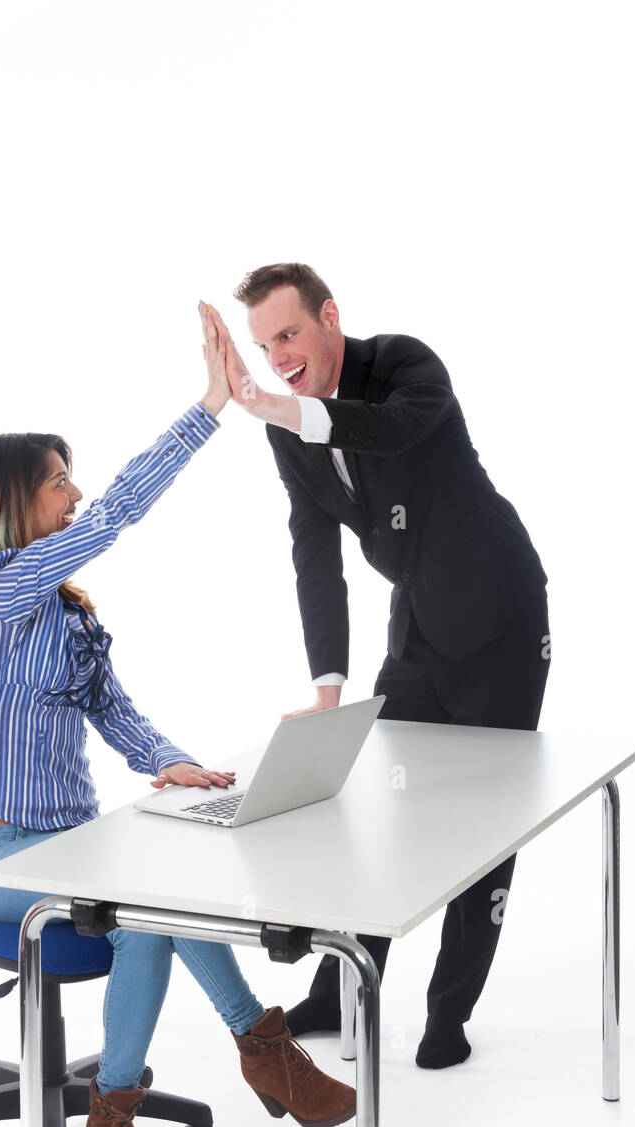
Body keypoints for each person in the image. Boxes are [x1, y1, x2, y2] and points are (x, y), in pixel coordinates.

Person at [0, 304, 355, 1127]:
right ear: (16, 504)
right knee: (147, 916)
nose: (77, 495)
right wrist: (207, 409)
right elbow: (125, 510)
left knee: (173, 894)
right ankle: (138, 1106)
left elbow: (115, 711)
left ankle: (238, 1062)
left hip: (70, 847)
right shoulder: (4, 586)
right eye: (59, 484)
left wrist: (174, 763)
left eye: (72, 481)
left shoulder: (64, 609)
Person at [202, 267, 550, 1069]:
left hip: (500, 613)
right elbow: (314, 552)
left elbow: (385, 431)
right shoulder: (284, 428)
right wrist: (328, 690)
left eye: (288, 335)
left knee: (483, 826)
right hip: (418, 621)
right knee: (379, 805)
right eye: (262, 346)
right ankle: (340, 990)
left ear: (330, 317)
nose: (277, 357)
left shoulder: (405, 366)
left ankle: (448, 1013)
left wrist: (275, 406)